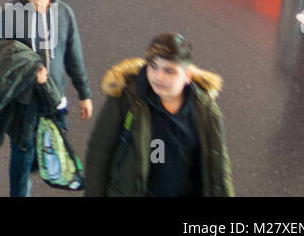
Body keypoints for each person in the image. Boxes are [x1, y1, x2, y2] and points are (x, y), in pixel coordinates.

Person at [0, 0, 92, 197]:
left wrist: (84, 94)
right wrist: (27, 69)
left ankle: (34, 161)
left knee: (52, 150)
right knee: (21, 159)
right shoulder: (11, 14)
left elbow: (73, 57)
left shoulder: (64, 14)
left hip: (53, 101)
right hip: (23, 104)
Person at [84, 33, 233, 197]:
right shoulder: (127, 99)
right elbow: (98, 153)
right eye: (153, 66)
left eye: (169, 71)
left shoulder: (204, 110)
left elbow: (219, 164)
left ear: (187, 76)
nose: (158, 77)